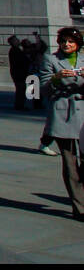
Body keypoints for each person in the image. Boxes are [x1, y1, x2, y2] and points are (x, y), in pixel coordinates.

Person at [38, 27, 84, 219]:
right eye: (63, 41)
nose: (66, 44)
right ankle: (80, 207)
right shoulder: (51, 59)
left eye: (70, 41)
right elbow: (42, 88)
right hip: (63, 114)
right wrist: (56, 78)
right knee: (70, 163)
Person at [8, 36, 29, 110]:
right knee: (21, 89)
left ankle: (19, 105)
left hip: (17, 72)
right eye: (16, 40)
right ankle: (19, 105)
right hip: (18, 72)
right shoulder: (15, 50)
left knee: (21, 89)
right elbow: (22, 61)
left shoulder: (16, 49)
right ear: (13, 42)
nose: (18, 41)